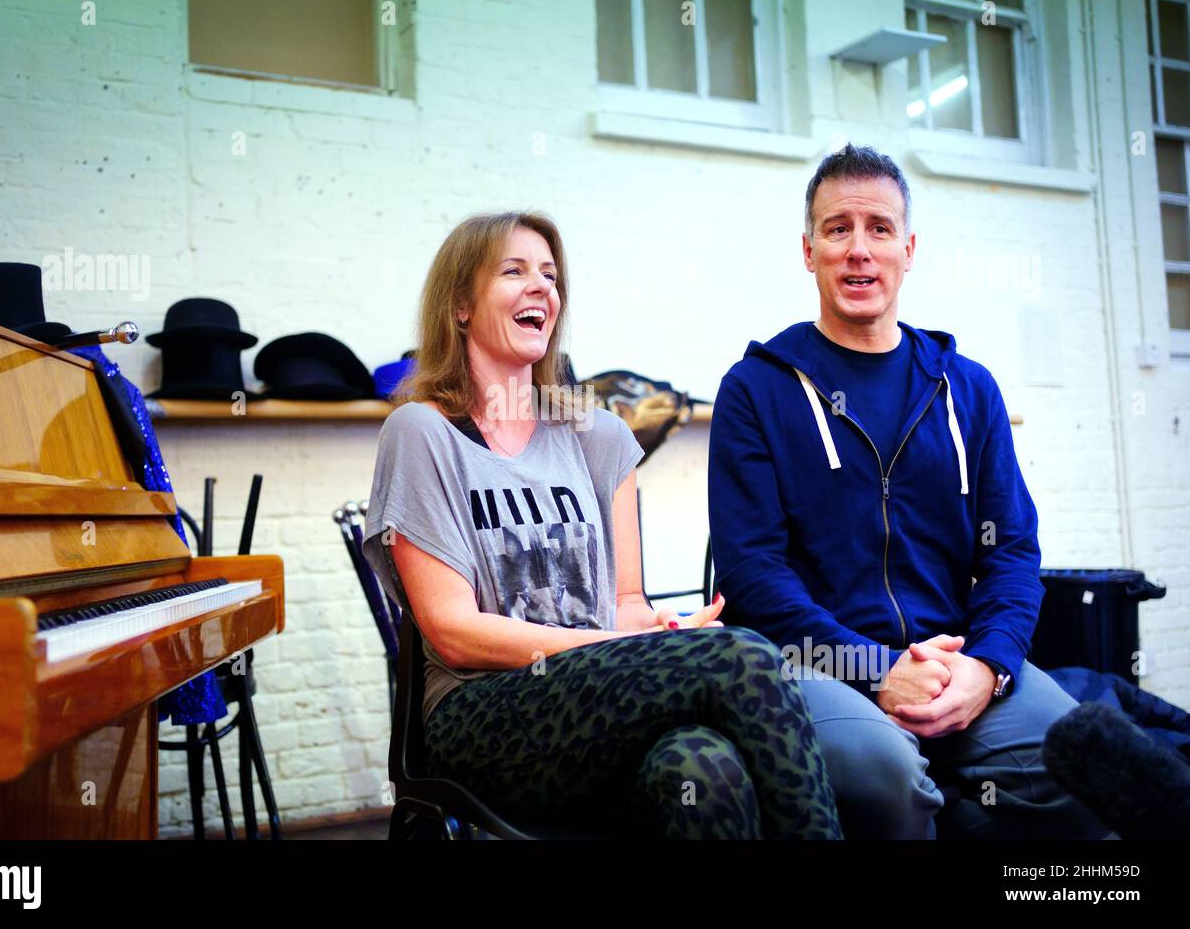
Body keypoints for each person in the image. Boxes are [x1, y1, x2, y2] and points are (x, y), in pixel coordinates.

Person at [363, 210, 842, 839]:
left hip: (600, 704)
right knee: (744, 657)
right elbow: (453, 633)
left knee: (701, 765)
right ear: (460, 305)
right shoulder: (422, 432)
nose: (541, 288)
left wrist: (658, 633)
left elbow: (624, 606)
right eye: (514, 271)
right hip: (481, 716)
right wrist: (625, 650)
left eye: (550, 276)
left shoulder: (599, 436)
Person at [708, 144, 1112, 839]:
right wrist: (876, 669)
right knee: (887, 779)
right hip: (813, 665)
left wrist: (988, 666)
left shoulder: (967, 387)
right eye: (838, 229)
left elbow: (1012, 552)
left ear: (909, 249)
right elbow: (753, 574)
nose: (859, 250)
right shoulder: (756, 390)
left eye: (880, 229)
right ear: (808, 251)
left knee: (1087, 760)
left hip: (954, 662)